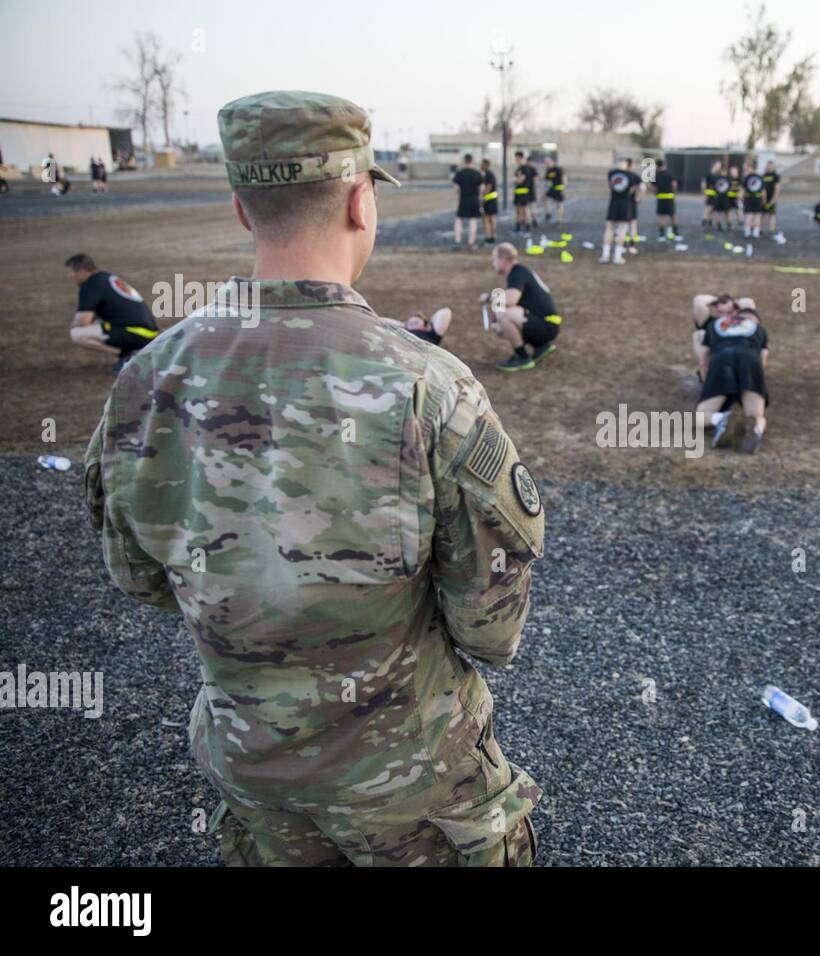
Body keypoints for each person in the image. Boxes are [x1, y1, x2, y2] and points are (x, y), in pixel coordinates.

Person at [85, 91, 544, 867]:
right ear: (361, 201)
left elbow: (141, 580)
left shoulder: (148, 380)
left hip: (254, 769)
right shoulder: (428, 387)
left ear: (241, 208)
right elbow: (490, 629)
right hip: (413, 784)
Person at [65, 253, 159, 371]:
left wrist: (74, 323)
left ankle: (127, 356)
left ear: (82, 271)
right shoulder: (105, 277)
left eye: (72, 271)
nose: (70, 276)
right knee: (95, 324)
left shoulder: (90, 285)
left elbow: (83, 321)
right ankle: (130, 353)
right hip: (150, 332)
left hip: (138, 334)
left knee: (77, 333)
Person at [696, 304, 769, 453]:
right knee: (756, 415)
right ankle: (757, 428)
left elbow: (703, 360)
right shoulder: (760, 330)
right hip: (751, 359)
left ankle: (720, 419)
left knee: (701, 416)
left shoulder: (715, 324)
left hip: (722, 358)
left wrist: (707, 385)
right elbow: (762, 363)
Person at [486, 241, 562, 370]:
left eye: (494, 260)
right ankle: (541, 346)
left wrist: (489, 298)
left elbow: (510, 301)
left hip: (546, 326)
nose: (493, 264)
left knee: (503, 315)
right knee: (499, 325)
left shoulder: (517, 272)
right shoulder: (520, 271)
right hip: (547, 324)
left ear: (503, 259)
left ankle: (522, 357)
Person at [601, 160, 639, 264]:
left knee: (609, 229)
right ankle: (617, 257)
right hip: (625, 204)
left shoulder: (611, 173)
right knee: (622, 229)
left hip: (613, 203)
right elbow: (633, 189)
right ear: (627, 165)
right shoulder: (631, 175)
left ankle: (605, 255)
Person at [451, 152, 483, 247]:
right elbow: (481, 188)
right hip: (474, 199)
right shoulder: (477, 173)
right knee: (472, 221)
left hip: (463, 199)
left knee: (459, 219)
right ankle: (471, 242)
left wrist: (460, 194)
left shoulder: (459, 173)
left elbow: (456, 188)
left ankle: (457, 241)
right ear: (472, 161)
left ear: (464, 161)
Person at [512, 150, 538, 233]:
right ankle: (519, 225)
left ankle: (528, 225)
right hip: (519, 192)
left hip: (523, 192)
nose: (516, 160)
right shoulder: (519, 168)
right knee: (519, 210)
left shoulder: (525, 168)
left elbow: (520, 180)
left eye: (516, 158)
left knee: (525, 209)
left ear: (519, 158)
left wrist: (515, 180)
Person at [654, 159, 679, 241]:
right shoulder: (670, 173)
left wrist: (656, 193)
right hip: (669, 197)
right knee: (673, 216)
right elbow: (674, 184)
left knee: (661, 217)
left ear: (657, 166)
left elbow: (653, 187)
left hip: (660, 198)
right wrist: (674, 194)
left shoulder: (656, 175)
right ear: (664, 165)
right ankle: (676, 234)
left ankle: (661, 235)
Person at [741, 162, 766, 240]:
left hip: (749, 198)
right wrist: (764, 199)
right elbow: (763, 191)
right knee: (757, 215)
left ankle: (748, 232)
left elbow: (742, 190)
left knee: (749, 215)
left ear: (751, 167)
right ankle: (756, 232)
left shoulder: (746, 177)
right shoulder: (760, 177)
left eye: (748, 167)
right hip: (758, 199)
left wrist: (741, 198)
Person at [762, 160, 785, 244]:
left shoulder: (776, 176)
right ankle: (762, 230)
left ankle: (771, 230)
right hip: (764, 198)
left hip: (772, 198)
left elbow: (777, 188)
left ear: (774, 166)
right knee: (763, 214)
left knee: (772, 214)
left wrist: (774, 199)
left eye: (771, 166)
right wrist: (763, 199)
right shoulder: (764, 175)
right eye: (768, 165)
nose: (769, 167)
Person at [480, 157, 499, 245]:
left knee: (487, 219)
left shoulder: (488, 174)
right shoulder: (490, 174)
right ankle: (493, 236)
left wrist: (483, 196)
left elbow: (488, 187)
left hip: (489, 200)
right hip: (493, 200)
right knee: (492, 219)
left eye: (481, 164)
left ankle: (488, 237)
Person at [543, 156, 566, 222]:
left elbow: (564, 178)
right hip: (553, 187)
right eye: (546, 163)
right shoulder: (548, 170)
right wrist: (545, 190)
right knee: (544, 197)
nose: (547, 164)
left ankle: (559, 219)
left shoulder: (557, 169)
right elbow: (547, 181)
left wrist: (563, 188)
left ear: (552, 161)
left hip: (559, 187)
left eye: (548, 162)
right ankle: (548, 213)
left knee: (559, 203)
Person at [702, 160, 722, 227]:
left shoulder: (718, 175)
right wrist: (705, 194)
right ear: (714, 165)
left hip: (716, 196)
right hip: (709, 195)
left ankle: (709, 222)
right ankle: (704, 222)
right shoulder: (708, 174)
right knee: (709, 209)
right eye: (718, 165)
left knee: (713, 209)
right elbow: (703, 184)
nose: (719, 167)